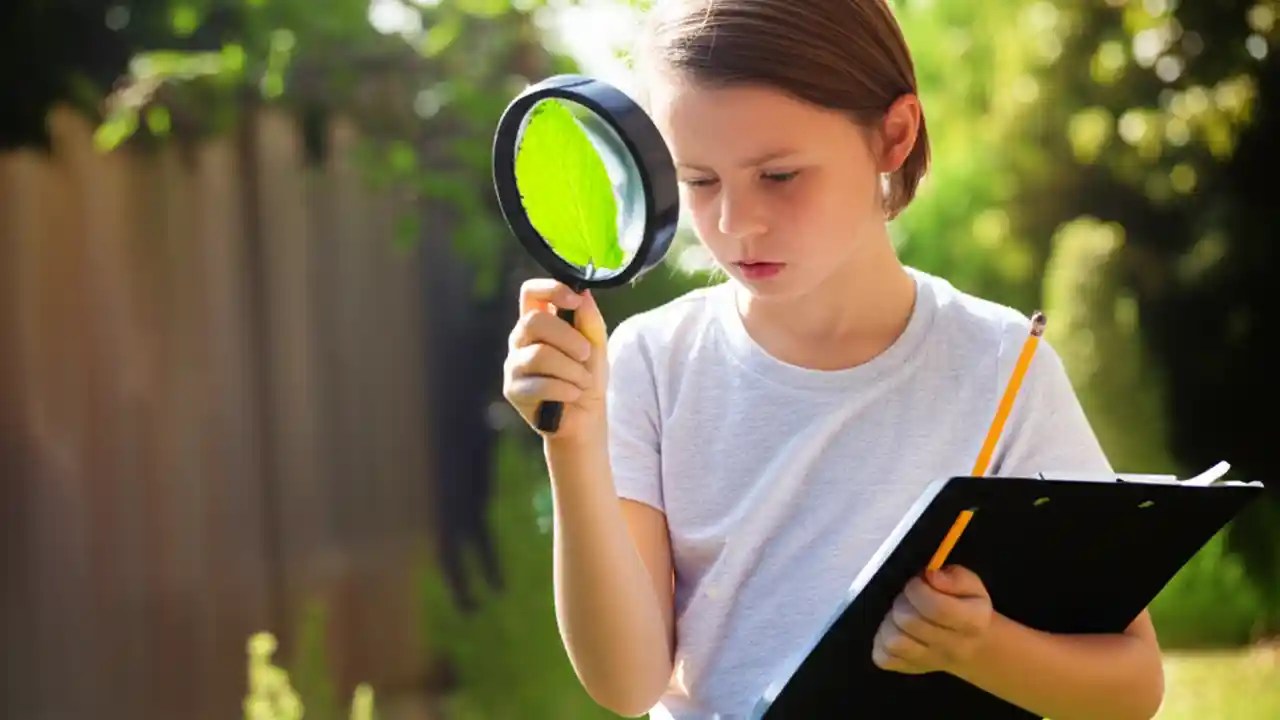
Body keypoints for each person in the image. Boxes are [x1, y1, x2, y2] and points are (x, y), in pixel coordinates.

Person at [501, 1, 1166, 718]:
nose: (735, 224)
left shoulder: (999, 364)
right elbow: (627, 685)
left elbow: (1131, 688)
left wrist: (981, 647)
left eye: (779, 175)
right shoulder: (654, 365)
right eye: (700, 181)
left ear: (894, 135)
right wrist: (572, 445)